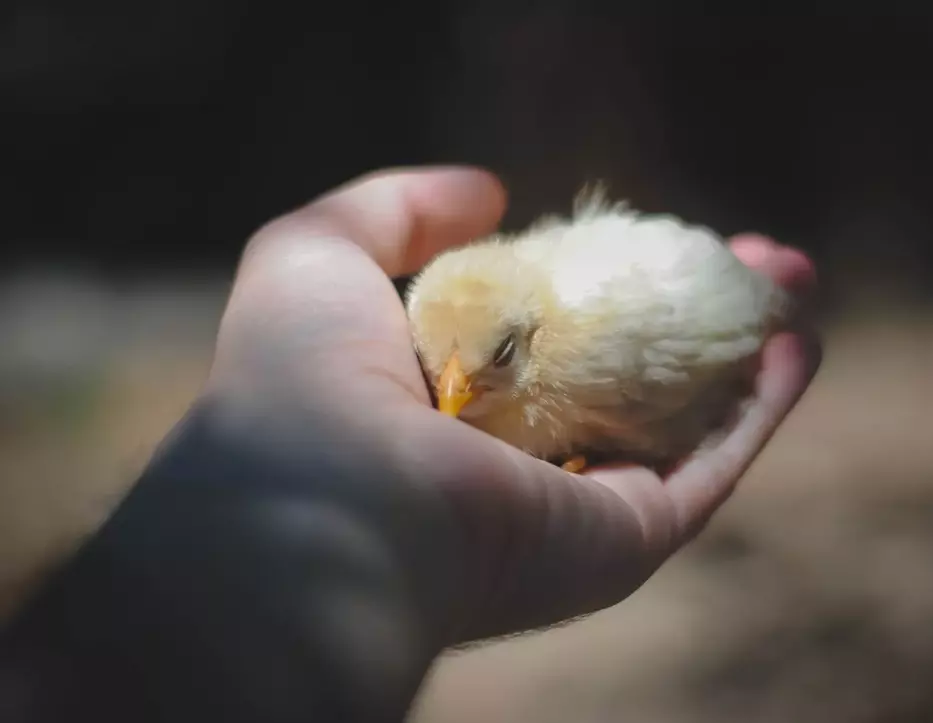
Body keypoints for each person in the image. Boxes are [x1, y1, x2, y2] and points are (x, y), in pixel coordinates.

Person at [0, 166, 820, 723]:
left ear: (533, 334)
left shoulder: (599, 345)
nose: (453, 393)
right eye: (438, 367)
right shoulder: (460, 322)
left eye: (492, 363)